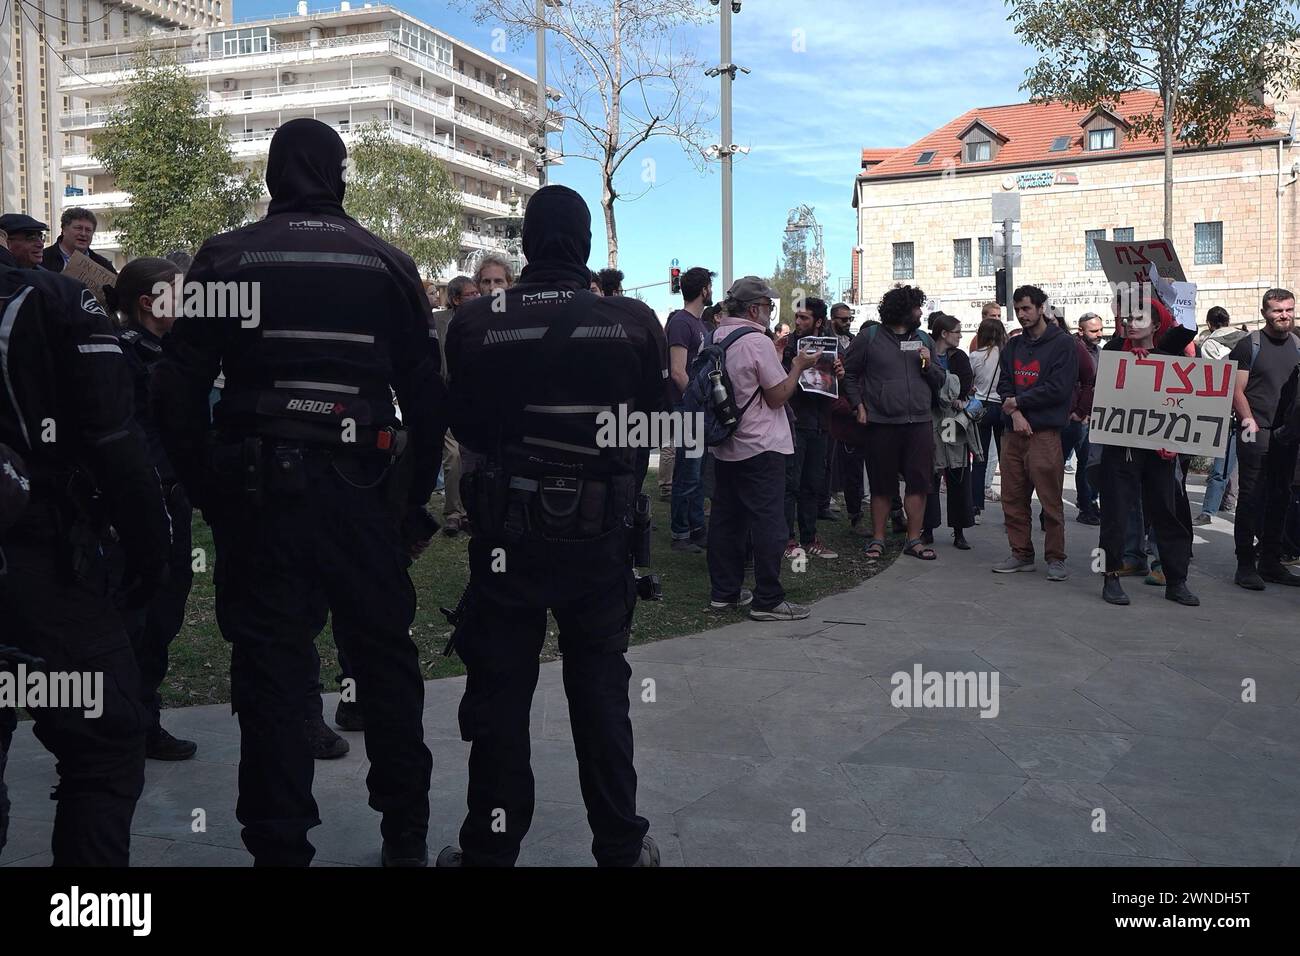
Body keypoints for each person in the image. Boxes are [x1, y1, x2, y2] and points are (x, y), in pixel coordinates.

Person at [151, 118, 445, 867]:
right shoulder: (386, 263)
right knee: (383, 666)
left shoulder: (229, 258)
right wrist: (412, 505)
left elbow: (177, 383)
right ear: (339, 174)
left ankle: (279, 847)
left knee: (273, 674)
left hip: (261, 501)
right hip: (365, 494)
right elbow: (426, 392)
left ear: (274, 178)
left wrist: (206, 489)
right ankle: (404, 838)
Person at [440, 185, 664, 867]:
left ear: (528, 244)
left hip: (509, 537)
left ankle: (488, 850)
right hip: (597, 540)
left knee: (502, 695)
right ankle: (622, 847)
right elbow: (652, 424)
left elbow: (467, 425)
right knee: (601, 693)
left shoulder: (479, 322)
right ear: (586, 242)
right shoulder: (631, 320)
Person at [0, 225, 171, 866]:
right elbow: (115, 444)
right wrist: (151, 552)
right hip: (42, 570)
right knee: (104, 745)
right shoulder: (52, 302)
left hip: (40, 559)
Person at [107, 257, 200, 761]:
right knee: (133, 621)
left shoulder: (175, 353)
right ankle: (121, 726)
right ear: (149, 303)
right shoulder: (124, 356)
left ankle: (144, 718)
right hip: (141, 508)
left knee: (164, 617)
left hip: (173, 502)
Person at [705, 277, 817, 620]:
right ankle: (767, 600)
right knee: (769, 522)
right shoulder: (756, 340)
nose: (771, 312)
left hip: (726, 443)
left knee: (726, 520)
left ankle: (724, 593)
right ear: (754, 308)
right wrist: (797, 366)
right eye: (768, 306)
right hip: (761, 444)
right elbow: (776, 395)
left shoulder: (718, 335)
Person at [1097, 295, 1199, 606]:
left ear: (1156, 325)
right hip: (1121, 449)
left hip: (1159, 452)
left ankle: (1176, 579)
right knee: (1114, 513)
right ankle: (1110, 576)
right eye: (1126, 318)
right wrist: (1131, 363)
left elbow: (1183, 405)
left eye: (1138, 318)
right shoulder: (1113, 350)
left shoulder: (1170, 353)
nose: (1129, 323)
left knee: (1167, 513)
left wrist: (1174, 443)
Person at [843, 284, 945, 561]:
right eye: (916, 307)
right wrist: (858, 405)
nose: (921, 312)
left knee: (918, 483)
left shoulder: (925, 339)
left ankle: (914, 539)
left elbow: (939, 380)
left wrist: (928, 364)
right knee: (881, 484)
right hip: (882, 423)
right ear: (903, 310)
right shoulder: (869, 337)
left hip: (919, 423)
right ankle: (878, 539)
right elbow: (849, 375)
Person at [992, 285, 1078, 580]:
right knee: (1012, 499)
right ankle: (1021, 554)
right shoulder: (1013, 346)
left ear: (1042, 308)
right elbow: (1003, 386)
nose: (1021, 315)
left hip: (1044, 433)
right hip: (1013, 433)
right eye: (1017, 310)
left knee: (1050, 501)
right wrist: (1015, 412)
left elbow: (1059, 388)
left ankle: (1055, 558)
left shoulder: (1063, 344)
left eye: (1027, 308)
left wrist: (1021, 402)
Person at [1227, 288, 1300, 590]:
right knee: (1251, 497)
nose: (1284, 315)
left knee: (1281, 496)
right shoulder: (1249, 345)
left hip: (1288, 434)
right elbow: (1235, 389)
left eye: (1288, 309)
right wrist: (1248, 420)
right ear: (1264, 313)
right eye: (1277, 310)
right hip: (1255, 431)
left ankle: (1270, 561)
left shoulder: (1298, 345)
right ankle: (1245, 564)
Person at [782, 297, 840, 560]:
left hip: (820, 424)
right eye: (797, 317)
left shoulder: (832, 345)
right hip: (795, 422)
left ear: (818, 321)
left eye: (804, 318)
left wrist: (839, 371)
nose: (798, 322)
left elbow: (839, 381)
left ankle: (809, 537)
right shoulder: (788, 346)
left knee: (812, 484)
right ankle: (787, 539)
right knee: (790, 483)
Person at [665, 266, 715, 553]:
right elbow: (677, 371)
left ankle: (697, 528)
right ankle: (680, 533)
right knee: (687, 472)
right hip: (687, 408)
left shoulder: (700, 325)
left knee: (697, 473)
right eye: (709, 286)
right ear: (703, 289)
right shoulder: (682, 323)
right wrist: (697, 401)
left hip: (697, 409)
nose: (711, 290)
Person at [922, 312, 978, 550]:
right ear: (944, 334)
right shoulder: (927, 355)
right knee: (931, 473)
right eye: (957, 332)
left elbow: (964, 385)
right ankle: (928, 528)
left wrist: (957, 394)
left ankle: (959, 529)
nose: (960, 336)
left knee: (958, 471)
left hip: (953, 420)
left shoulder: (959, 356)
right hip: (932, 418)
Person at [431, 274, 480, 537]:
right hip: (446, 397)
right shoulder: (439, 321)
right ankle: (453, 513)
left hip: (475, 400)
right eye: (470, 294)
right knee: (453, 455)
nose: (476, 297)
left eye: (476, 293)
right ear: (456, 299)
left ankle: (474, 512)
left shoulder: (485, 320)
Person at [1196, 306, 1245, 524]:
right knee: (1243, 465)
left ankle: (1208, 511)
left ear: (1209, 323)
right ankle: (1230, 502)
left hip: (1225, 410)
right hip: (1249, 409)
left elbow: (1212, 378)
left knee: (1220, 465)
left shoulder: (1210, 345)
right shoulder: (1247, 339)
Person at [968, 316, 1007, 522]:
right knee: (1006, 460)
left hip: (981, 408)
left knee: (980, 458)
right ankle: (1011, 507)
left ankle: (975, 506)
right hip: (1002, 407)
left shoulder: (975, 356)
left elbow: (968, 383)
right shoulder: (1006, 356)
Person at [1071, 313, 1104, 524]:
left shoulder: (1100, 352)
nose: (1099, 334)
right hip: (1077, 417)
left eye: (1100, 329)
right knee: (1083, 463)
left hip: (1095, 415)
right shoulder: (1073, 351)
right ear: (1081, 331)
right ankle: (1086, 507)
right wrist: (1079, 412)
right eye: (1094, 331)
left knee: (1091, 462)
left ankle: (1089, 502)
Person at [42, 207, 117, 274]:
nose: (83, 234)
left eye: (88, 230)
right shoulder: (41, 260)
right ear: (64, 229)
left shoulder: (103, 266)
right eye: (78, 228)